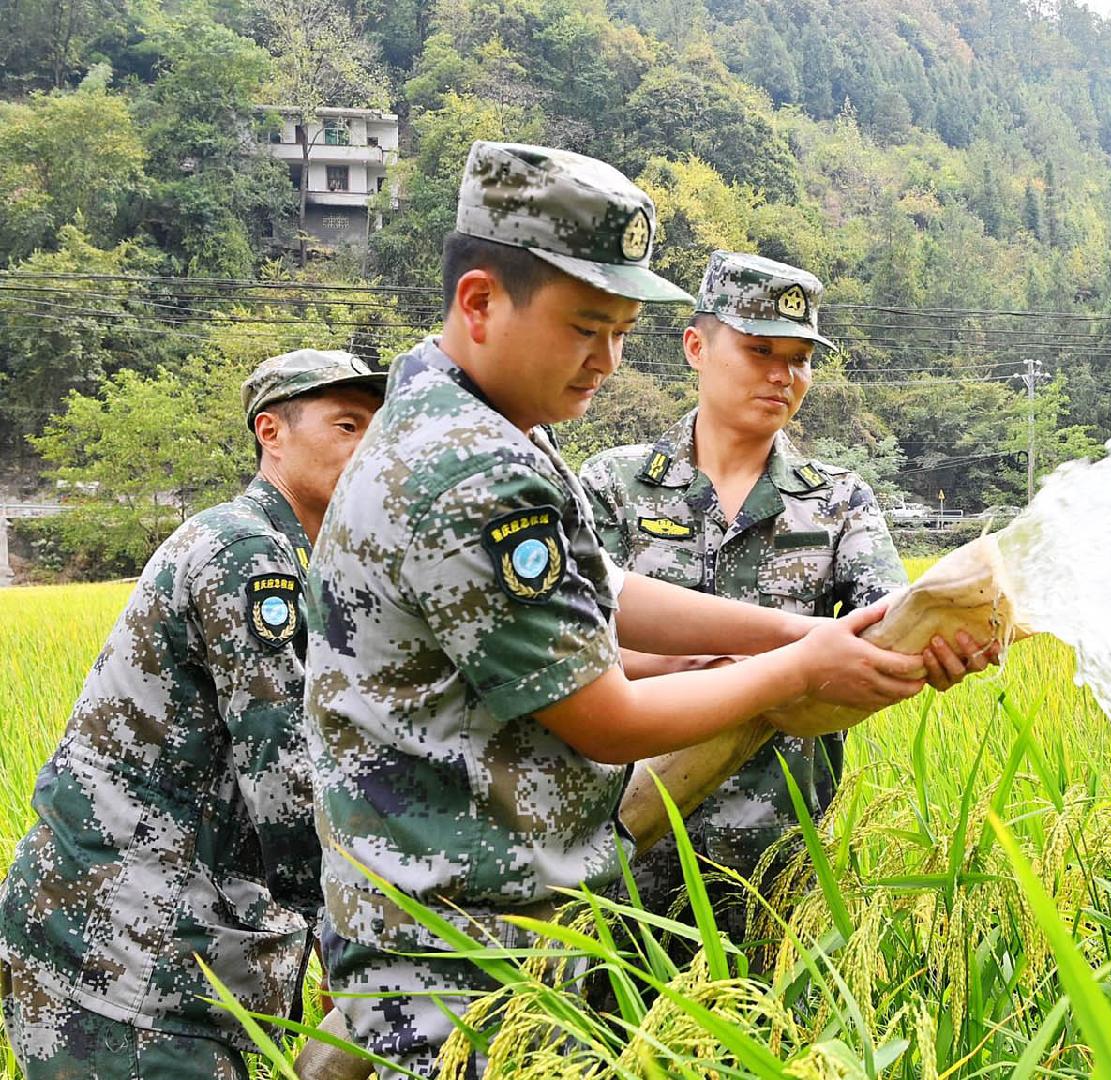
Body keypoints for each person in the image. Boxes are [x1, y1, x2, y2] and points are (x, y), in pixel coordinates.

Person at [301, 141, 976, 1077]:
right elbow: (608, 717)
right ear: (481, 301)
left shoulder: (478, 432)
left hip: (518, 918)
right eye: (586, 327)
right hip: (465, 952)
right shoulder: (480, 468)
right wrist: (798, 668)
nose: (609, 361)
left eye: (621, 330)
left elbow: (607, 596)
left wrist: (796, 634)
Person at [580, 251, 995, 935]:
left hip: (778, 865)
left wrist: (943, 643)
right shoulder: (613, 487)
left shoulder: (837, 501)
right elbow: (566, 649)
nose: (783, 375)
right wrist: (724, 667)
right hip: (621, 851)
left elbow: (892, 623)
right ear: (696, 347)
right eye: (759, 350)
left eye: (800, 358)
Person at [0, 349, 385, 1079]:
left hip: (126, 932)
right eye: (345, 425)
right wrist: (361, 938)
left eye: (377, 429)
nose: (367, 448)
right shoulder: (248, 553)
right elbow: (290, 784)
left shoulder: (300, 557)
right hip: (126, 957)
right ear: (271, 432)